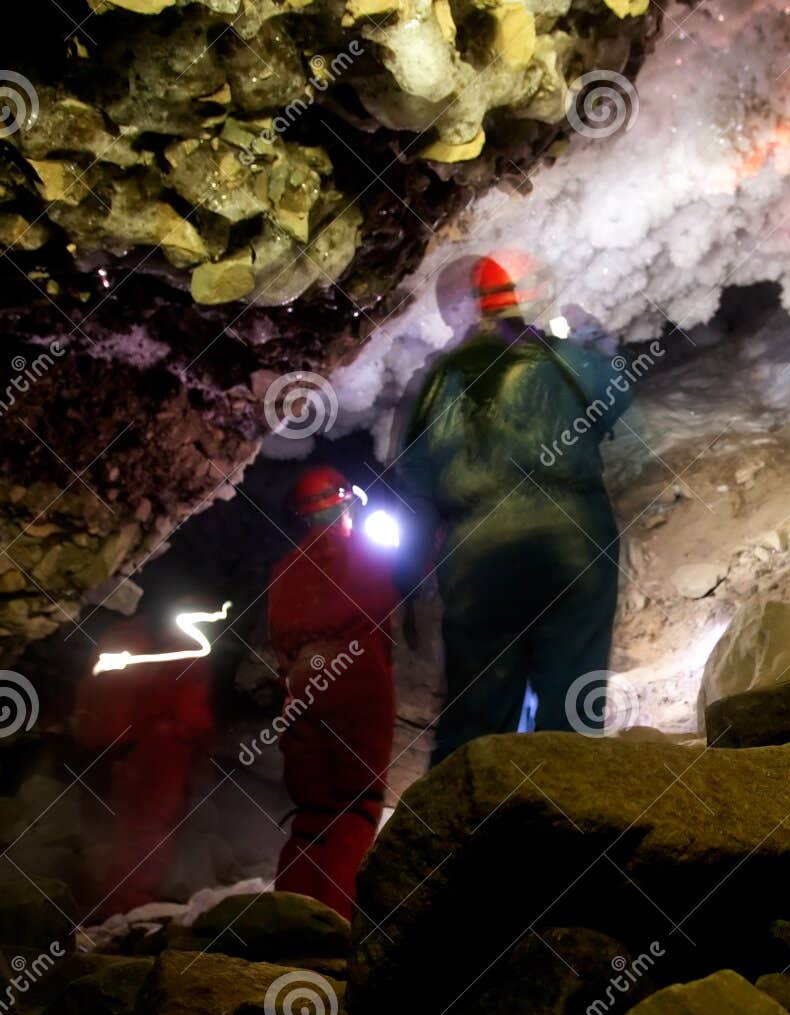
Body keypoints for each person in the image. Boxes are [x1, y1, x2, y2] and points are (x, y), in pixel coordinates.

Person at [397, 250, 631, 764]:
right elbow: (618, 393)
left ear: (469, 310)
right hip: (576, 548)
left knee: (477, 719)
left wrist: (409, 582)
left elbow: (415, 485)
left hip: (482, 561)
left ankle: (465, 832)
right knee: (571, 714)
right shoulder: (567, 361)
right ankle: (570, 828)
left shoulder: (441, 380)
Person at [267, 465, 400, 919]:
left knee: (313, 813)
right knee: (357, 805)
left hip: (303, 679)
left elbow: (280, 644)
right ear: (344, 503)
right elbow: (392, 604)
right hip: (357, 672)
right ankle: (337, 926)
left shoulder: (284, 570)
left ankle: (288, 924)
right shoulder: (366, 553)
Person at [73, 606, 214, 914]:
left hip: (134, 750)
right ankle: (124, 910)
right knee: (144, 832)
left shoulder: (135, 639)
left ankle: (117, 907)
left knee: (136, 831)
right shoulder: (166, 648)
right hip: (154, 753)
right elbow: (191, 715)